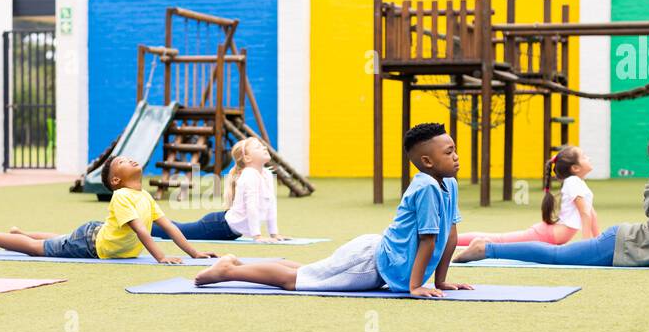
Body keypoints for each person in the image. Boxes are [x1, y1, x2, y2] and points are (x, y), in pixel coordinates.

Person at [194, 122, 472, 296]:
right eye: (448, 152)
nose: (456, 157)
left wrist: (441, 281)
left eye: (454, 150)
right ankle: (228, 271)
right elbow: (427, 240)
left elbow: (450, 237)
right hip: (369, 263)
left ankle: (239, 265)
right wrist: (416, 286)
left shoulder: (449, 184)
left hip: (380, 260)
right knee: (296, 280)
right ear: (427, 162)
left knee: (310, 271)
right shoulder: (426, 187)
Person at [454, 127, 649, 270]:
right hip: (617, 246)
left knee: (558, 255)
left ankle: (487, 246)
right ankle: (486, 248)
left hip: (622, 243)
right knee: (556, 257)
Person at [0, 155, 218, 264]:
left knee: (60, 239)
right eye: (122, 161)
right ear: (116, 180)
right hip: (90, 244)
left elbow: (169, 227)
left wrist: (194, 253)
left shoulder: (144, 197)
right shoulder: (121, 197)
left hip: (96, 234)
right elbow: (141, 230)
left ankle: (20, 233)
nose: (130, 159)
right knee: (37, 249)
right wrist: (161, 257)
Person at [151, 137, 288, 242]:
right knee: (176, 231)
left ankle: (152, 222)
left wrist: (274, 234)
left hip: (227, 230)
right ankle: (145, 225)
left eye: (262, 145)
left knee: (178, 228)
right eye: (258, 147)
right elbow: (251, 206)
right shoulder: (249, 175)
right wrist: (257, 236)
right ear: (247, 158)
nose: (264, 147)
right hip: (217, 226)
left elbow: (271, 205)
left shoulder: (267, 174)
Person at [456, 145, 599, 246]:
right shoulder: (573, 182)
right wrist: (587, 245)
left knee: (498, 239)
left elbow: (591, 214)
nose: (589, 158)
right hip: (545, 235)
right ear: (575, 168)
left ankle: (452, 240)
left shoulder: (577, 183)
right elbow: (585, 214)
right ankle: (451, 240)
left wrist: (598, 241)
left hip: (548, 234)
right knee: (498, 240)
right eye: (584, 157)